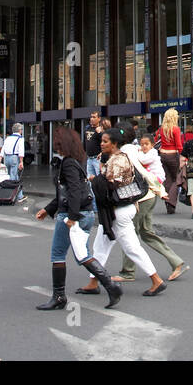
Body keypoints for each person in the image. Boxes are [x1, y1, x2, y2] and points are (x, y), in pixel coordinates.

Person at [34, 128, 120, 310]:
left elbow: (72, 191)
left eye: (57, 142)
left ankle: (61, 295)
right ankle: (109, 287)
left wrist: (71, 217)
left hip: (73, 215)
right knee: (80, 254)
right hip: (82, 213)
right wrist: (48, 209)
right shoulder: (75, 162)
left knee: (63, 254)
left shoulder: (68, 164)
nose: (55, 145)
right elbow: (64, 193)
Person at [85, 130, 166, 298]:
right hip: (121, 208)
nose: (102, 144)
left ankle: (156, 279)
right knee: (102, 245)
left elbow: (112, 185)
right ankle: (93, 282)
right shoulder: (120, 157)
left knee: (129, 247)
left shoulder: (117, 161)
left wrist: (95, 180)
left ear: (114, 144)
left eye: (105, 141)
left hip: (118, 210)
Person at [112, 132, 189, 284]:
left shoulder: (129, 152)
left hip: (142, 198)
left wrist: (161, 191)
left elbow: (145, 174)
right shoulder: (136, 150)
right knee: (146, 233)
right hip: (149, 196)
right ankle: (175, 261)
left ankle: (128, 271)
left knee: (129, 234)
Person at [157, 108, 185, 214]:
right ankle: (171, 203)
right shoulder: (175, 129)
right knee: (175, 179)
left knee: (167, 179)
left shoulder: (162, 129)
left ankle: (167, 202)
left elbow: (158, 142)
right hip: (173, 155)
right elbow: (179, 146)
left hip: (163, 155)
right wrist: (184, 157)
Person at [83, 111, 103, 180]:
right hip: (89, 158)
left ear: (99, 119)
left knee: (99, 179)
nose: (92, 119)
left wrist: (100, 133)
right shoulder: (87, 129)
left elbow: (105, 143)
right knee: (90, 179)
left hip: (97, 159)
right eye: (91, 117)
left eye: (94, 117)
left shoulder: (100, 130)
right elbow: (85, 142)